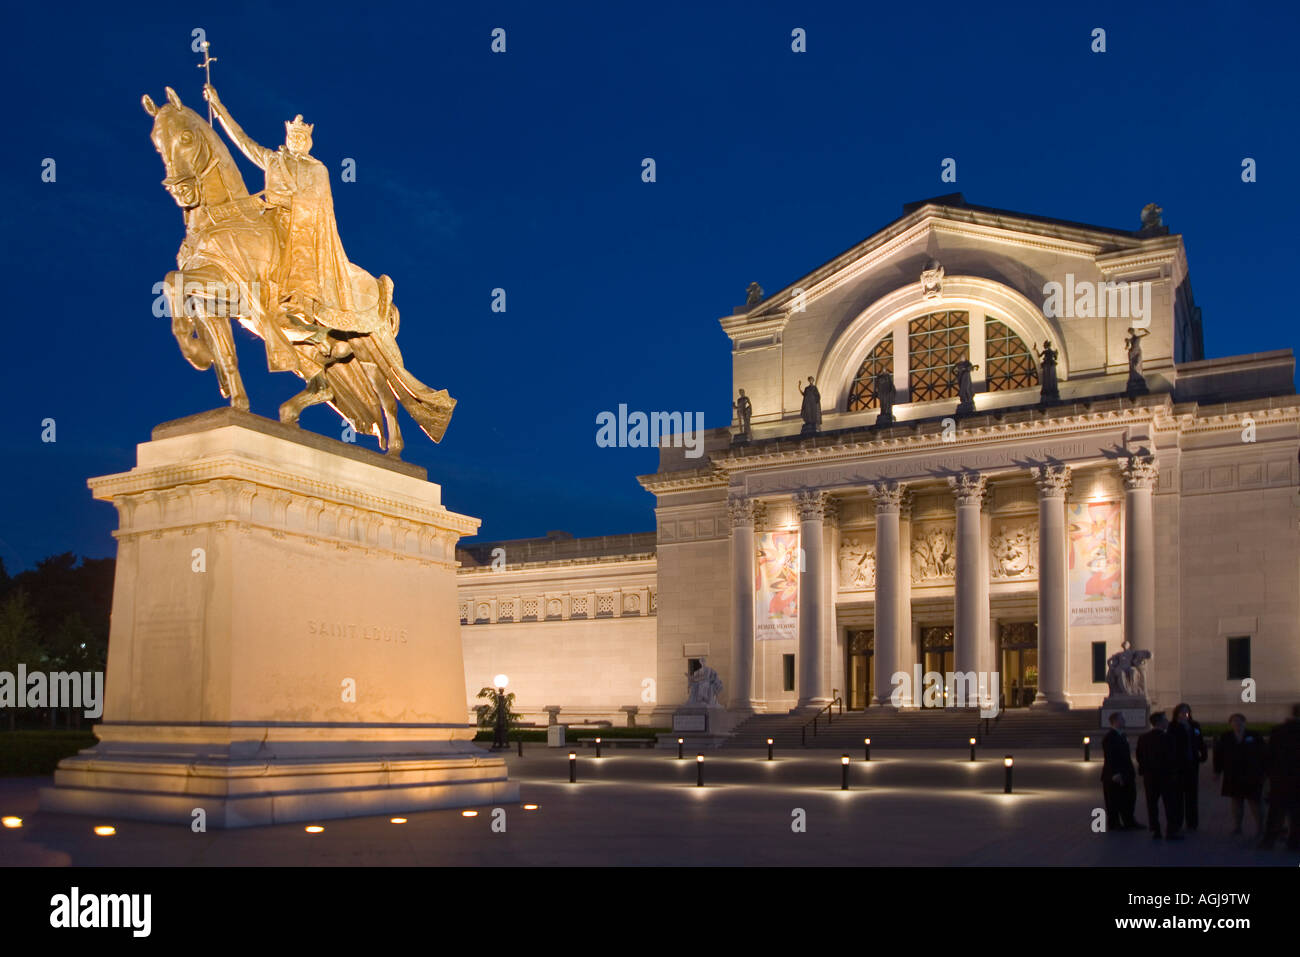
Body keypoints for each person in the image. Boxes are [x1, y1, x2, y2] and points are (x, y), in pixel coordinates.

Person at [1213, 712, 1266, 838]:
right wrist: (1217, 772)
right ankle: (1237, 827)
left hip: (1252, 774)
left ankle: (1260, 828)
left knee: (1255, 802)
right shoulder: (1225, 737)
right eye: (1234, 721)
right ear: (1230, 723)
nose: (1237, 723)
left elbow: (1264, 753)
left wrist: (1265, 772)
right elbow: (1218, 755)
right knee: (1236, 801)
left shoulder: (1254, 735)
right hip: (1233, 774)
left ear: (1244, 722)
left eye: (1240, 721)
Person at [1259, 703, 1300, 850]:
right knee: (1296, 813)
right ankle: (1294, 842)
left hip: (1280, 778)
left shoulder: (1278, 730)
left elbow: (1269, 756)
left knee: (1276, 811)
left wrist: (1268, 776)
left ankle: (1269, 840)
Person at [1136, 712, 1176, 839]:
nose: (1167, 722)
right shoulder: (1168, 738)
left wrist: (1144, 769)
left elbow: (1139, 756)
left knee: (1152, 803)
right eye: (1165, 720)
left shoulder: (1143, 738)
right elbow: (1171, 757)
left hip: (1149, 776)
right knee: (1169, 803)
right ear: (1159, 722)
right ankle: (1170, 830)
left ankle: (1155, 829)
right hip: (1165, 776)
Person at [1169, 702, 1208, 831]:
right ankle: (1178, 821)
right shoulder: (1173, 727)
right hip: (1179, 765)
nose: (1184, 714)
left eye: (1186, 712)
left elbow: (1200, 741)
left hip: (1192, 763)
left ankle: (1192, 822)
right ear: (1177, 713)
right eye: (1182, 712)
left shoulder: (1194, 725)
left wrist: (1203, 754)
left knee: (1192, 794)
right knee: (1178, 795)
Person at [1101, 712, 1141, 831]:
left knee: (1129, 797)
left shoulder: (1122, 735)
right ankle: (1114, 823)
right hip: (1114, 775)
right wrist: (1115, 773)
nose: (1124, 721)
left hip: (1126, 773)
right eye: (1122, 719)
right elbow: (1110, 757)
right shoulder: (1109, 737)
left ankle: (1129, 820)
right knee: (1113, 800)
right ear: (1115, 721)